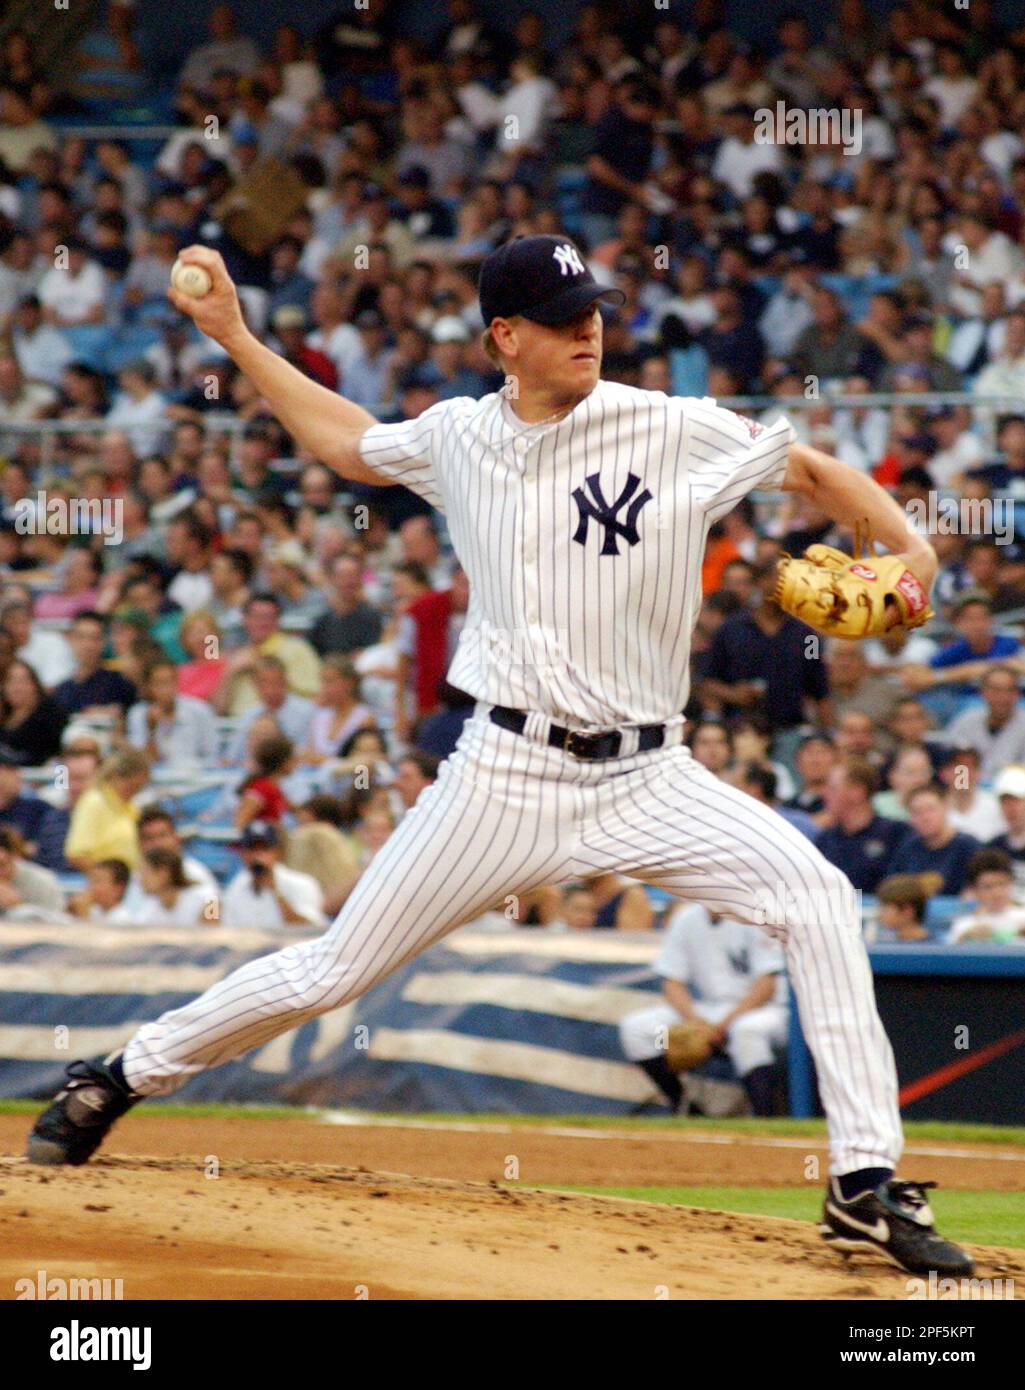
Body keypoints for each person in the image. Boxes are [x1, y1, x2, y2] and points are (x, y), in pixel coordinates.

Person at [27, 236, 971, 1277]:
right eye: (561, 317)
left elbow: (809, 468)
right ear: (501, 338)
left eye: (593, 311)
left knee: (816, 897)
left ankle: (860, 1181)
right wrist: (238, 339)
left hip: (647, 774)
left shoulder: (667, 427)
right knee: (335, 967)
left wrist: (912, 552)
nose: (587, 329)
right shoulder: (457, 439)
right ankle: (120, 1073)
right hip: (502, 774)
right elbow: (351, 444)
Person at [619, 902, 787, 1117]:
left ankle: (766, 1117)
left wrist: (723, 1026)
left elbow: (767, 986)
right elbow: (672, 981)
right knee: (638, 1029)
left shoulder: (756, 917)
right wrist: (695, 1021)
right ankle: (685, 1105)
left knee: (747, 1032)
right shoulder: (687, 919)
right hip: (709, 1011)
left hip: (765, 1011)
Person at [814, 760, 908, 893]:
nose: (825, 794)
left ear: (857, 792)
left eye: (833, 788)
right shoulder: (825, 839)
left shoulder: (896, 834)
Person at [221, 820, 325, 930]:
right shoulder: (238, 885)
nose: (258, 855)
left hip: (290, 945)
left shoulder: (302, 884)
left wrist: (276, 892)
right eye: (252, 849)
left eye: (264, 849)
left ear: (277, 852)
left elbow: (311, 930)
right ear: (242, 854)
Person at [63, 747, 149, 870]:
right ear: (116, 777)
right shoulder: (94, 802)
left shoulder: (131, 807)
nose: (135, 793)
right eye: (133, 786)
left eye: (139, 788)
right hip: (110, 882)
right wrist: (107, 880)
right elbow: (77, 854)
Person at [886, 784, 980, 896]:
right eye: (917, 812)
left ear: (946, 808)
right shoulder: (908, 847)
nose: (925, 817)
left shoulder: (969, 847)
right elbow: (893, 886)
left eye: (931, 809)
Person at [126, 657, 219, 766]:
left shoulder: (199, 710)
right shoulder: (138, 714)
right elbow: (142, 762)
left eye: (170, 681)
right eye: (159, 683)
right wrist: (151, 729)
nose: (166, 689)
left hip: (196, 773)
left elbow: (212, 755)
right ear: (149, 686)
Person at [52, 612, 136, 718]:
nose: (88, 645)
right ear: (70, 639)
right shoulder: (62, 690)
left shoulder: (120, 683)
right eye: (81, 637)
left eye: (95, 638)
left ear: (104, 641)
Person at [301, 655, 376, 763]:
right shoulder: (319, 716)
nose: (325, 688)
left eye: (330, 681)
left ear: (350, 683)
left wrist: (323, 761)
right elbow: (309, 754)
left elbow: (363, 764)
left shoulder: (366, 719)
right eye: (323, 682)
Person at [948, 850, 1025, 944]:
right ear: (974, 890)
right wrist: (964, 938)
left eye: (1002, 884)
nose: (997, 893)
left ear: (1011, 883)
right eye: (988, 887)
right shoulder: (964, 926)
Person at [0, 659, 68, 765]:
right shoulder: (4, 717)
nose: (17, 687)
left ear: (35, 684)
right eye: (11, 681)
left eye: (23, 681)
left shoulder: (49, 715)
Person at [134, 848, 219, 929]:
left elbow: (213, 931)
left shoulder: (209, 899)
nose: (141, 880)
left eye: (144, 873)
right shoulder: (150, 910)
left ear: (163, 873)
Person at [234, 733, 295, 829]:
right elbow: (240, 823)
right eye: (293, 759)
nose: (296, 763)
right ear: (284, 762)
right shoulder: (262, 789)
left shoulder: (276, 789)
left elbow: (297, 811)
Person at [68, 858, 133, 926]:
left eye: (97, 881)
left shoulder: (123, 919)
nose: (91, 886)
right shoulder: (95, 911)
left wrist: (84, 915)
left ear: (118, 888)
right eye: (91, 881)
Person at [873, 875, 933, 944]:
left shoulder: (936, 949)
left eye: (884, 907)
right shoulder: (886, 943)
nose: (880, 913)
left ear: (907, 911)